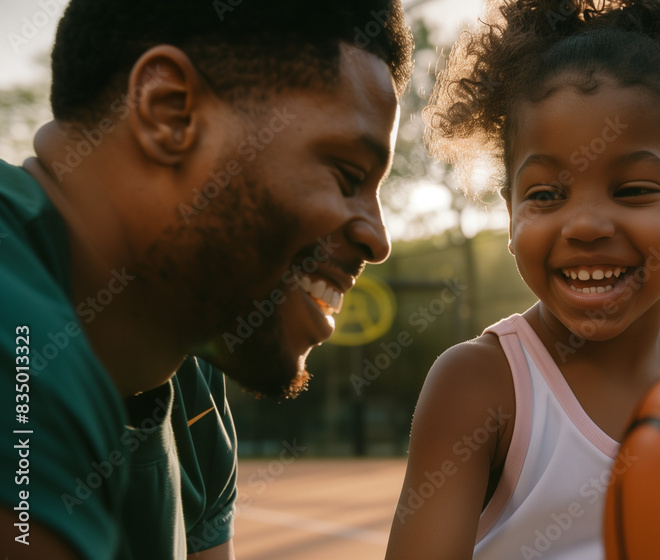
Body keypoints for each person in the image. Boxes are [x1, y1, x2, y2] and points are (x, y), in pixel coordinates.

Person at [1, 1, 412, 558]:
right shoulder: (19, 339)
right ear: (169, 112)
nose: (377, 240)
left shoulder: (184, 361)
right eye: (346, 175)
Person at [384, 0, 660, 558]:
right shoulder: (480, 386)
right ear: (510, 216)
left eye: (633, 190)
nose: (586, 224)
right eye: (546, 195)